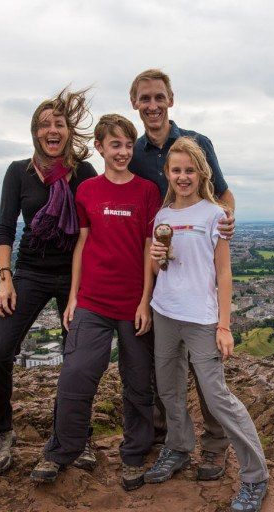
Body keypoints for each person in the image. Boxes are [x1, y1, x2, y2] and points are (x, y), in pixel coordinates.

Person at [30, 114, 161, 491]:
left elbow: (148, 247)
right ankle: (61, 450)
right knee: (76, 374)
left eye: (127, 145)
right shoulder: (87, 190)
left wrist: (145, 301)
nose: (122, 152)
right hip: (93, 300)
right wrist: (72, 297)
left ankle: (134, 455)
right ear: (100, 148)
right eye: (114, 145)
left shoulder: (147, 191)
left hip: (132, 302)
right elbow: (81, 245)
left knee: (137, 383)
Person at [145, 137, 269, 512]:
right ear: (167, 173)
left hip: (201, 318)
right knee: (169, 389)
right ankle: (179, 448)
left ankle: (254, 476)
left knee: (217, 397)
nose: (183, 177)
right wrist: (155, 257)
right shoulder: (162, 217)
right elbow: (158, 269)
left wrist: (224, 325)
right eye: (176, 170)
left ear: (202, 173)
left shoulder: (214, 215)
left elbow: (224, 271)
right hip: (165, 311)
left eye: (189, 170)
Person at [0, 88, 97, 476]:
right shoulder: (18, 172)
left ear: (68, 130)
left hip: (74, 273)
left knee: (77, 360)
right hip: (30, 270)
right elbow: (4, 228)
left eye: (59, 123)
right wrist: (5, 280)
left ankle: (76, 435)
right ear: (34, 131)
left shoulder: (84, 172)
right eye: (44, 124)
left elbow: (95, 230)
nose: (52, 129)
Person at [129, 68, 235, 480]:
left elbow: (223, 194)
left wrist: (226, 222)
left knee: (205, 373)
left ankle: (214, 446)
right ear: (135, 104)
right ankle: (176, 444)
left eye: (159, 97)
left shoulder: (196, 144)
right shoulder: (134, 153)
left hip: (197, 274)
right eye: (144, 99)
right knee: (167, 373)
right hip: (163, 277)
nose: (152, 106)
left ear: (171, 99)